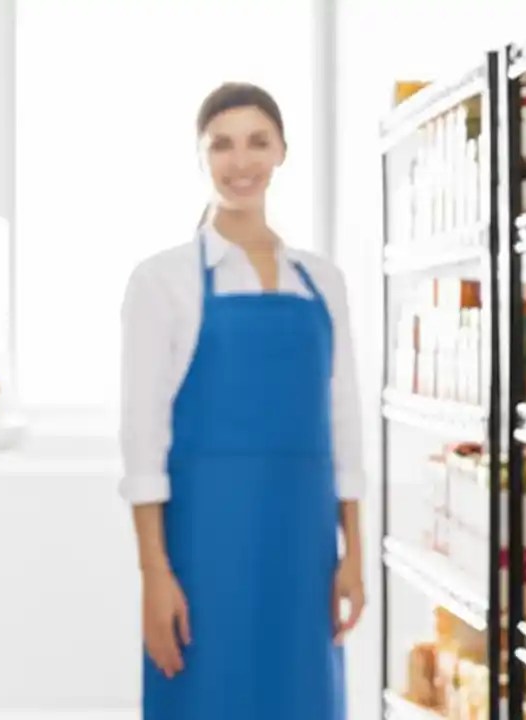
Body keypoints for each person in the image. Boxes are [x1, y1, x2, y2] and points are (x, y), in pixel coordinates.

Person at [118, 81, 366, 719]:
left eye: (258, 141)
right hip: (205, 545)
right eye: (221, 145)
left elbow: (344, 423)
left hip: (303, 543)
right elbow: (143, 443)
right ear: (200, 159)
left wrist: (353, 553)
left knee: (302, 700)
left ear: (282, 150)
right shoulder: (162, 280)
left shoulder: (323, 280)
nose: (241, 161)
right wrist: (155, 576)